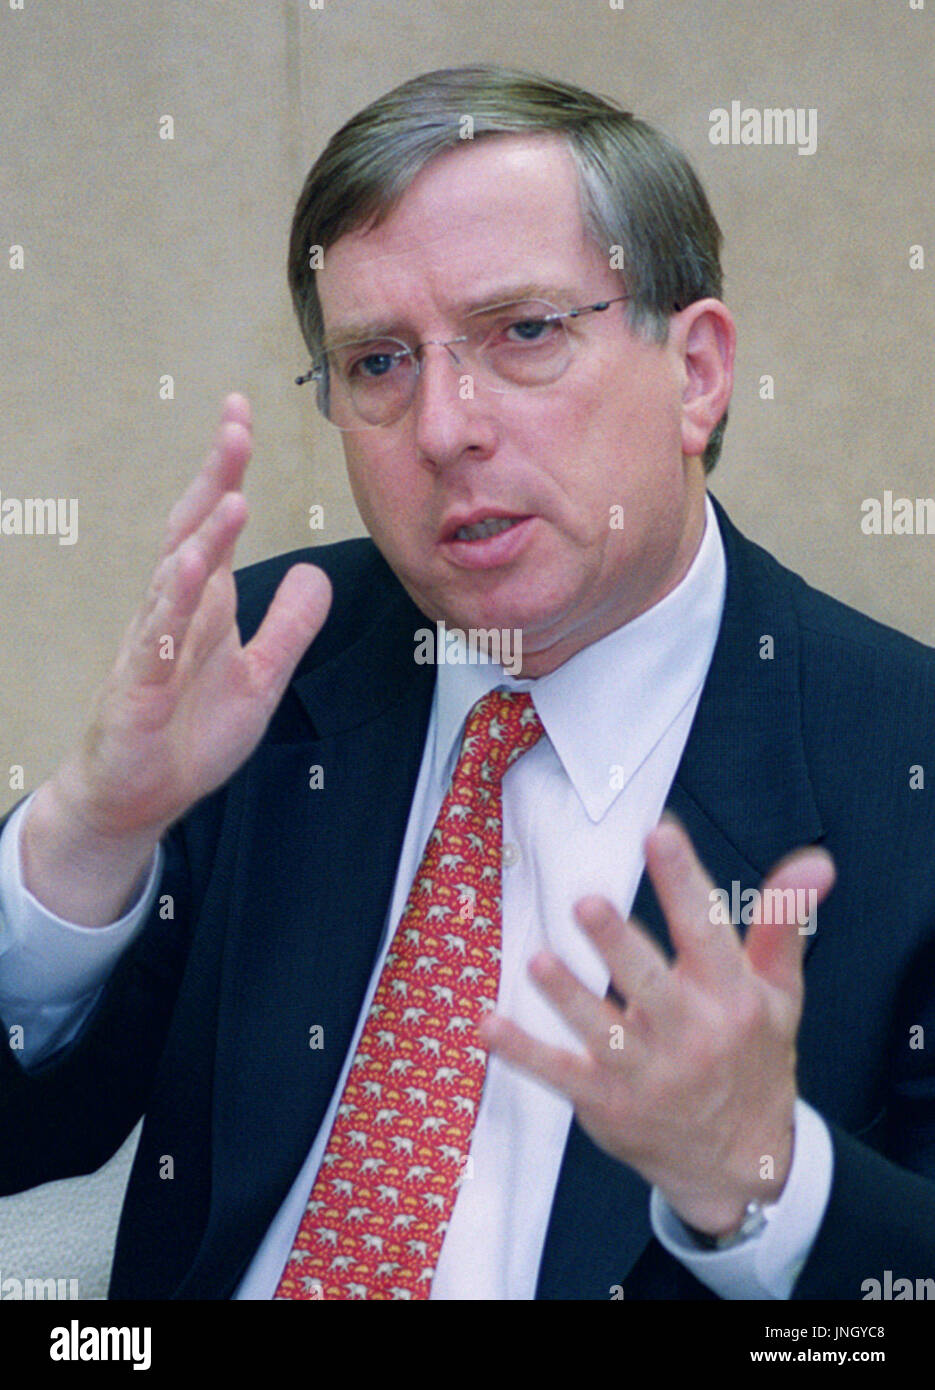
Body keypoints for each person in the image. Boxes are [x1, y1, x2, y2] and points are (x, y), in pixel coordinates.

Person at [1, 64, 933, 1302]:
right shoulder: (279, 664)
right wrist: (87, 835)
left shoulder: (899, 763)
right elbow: (31, 1127)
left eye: (524, 333)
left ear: (695, 371)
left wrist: (761, 1180)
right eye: (378, 362)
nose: (443, 427)